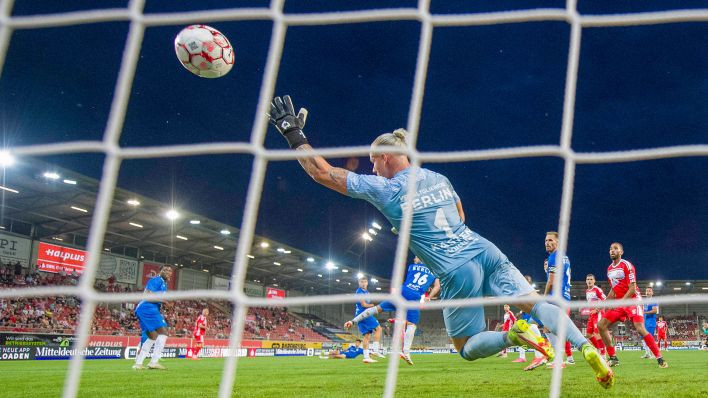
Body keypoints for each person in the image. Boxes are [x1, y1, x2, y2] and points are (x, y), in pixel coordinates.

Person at [267, 95, 613, 388]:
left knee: (465, 347)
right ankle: (583, 347)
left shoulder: (387, 189)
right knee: (537, 303)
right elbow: (461, 215)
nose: (372, 169)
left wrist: (294, 135)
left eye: (373, 161)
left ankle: (513, 336)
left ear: (386, 157)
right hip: (484, 248)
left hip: (455, 270)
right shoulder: (439, 178)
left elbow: (323, 173)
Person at [345, 257, 439, 365]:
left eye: (416, 257)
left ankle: (353, 321)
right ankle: (406, 352)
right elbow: (436, 287)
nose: (414, 259)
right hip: (414, 297)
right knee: (412, 325)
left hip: (401, 292)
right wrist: (428, 297)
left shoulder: (412, 267)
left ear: (421, 259)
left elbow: (413, 277)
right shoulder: (435, 271)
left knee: (377, 309)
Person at [597, 242, 667, 368]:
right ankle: (613, 358)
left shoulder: (627, 265)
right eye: (610, 249)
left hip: (633, 300)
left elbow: (632, 289)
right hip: (620, 302)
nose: (612, 251)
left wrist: (621, 303)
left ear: (621, 252)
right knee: (601, 325)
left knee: (639, 328)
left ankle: (659, 358)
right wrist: (605, 303)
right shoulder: (609, 269)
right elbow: (613, 290)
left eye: (615, 249)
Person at [543, 232, 575, 367]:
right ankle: (559, 359)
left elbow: (551, 281)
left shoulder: (553, 257)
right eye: (545, 240)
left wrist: (544, 299)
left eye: (550, 240)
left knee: (550, 328)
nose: (547, 243)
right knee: (549, 328)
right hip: (565, 297)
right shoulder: (564, 257)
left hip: (557, 297)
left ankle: (559, 359)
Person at [132, 265, 173, 370]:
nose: (168, 272)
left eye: (170, 271)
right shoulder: (157, 280)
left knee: (153, 336)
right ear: (160, 271)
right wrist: (165, 302)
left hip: (144, 309)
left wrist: (162, 303)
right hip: (147, 308)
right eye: (166, 270)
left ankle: (138, 363)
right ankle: (154, 362)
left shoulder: (163, 284)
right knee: (163, 333)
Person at [517, 275, 549, 371]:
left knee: (531, 328)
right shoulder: (522, 291)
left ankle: (540, 355)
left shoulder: (530, 291)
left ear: (530, 282)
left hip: (535, 314)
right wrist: (521, 312)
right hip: (528, 315)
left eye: (527, 280)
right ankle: (541, 354)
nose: (525, 281)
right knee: (525, 335)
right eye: (524, 280)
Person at [352, 276, 385, 363]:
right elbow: (363, 305)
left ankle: (366, 357)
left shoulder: (366, 292)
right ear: (359, 283)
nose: (363, 283)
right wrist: (372, 306)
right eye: (361, 282)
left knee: (367, 336)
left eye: (365, 282)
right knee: (378, 328)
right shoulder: (359, 291)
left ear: (367, 283)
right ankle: (375, 350)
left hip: (360, 315)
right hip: (364, 314)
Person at [585, 274, 607, 356]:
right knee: (588, 334)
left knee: (597, 334)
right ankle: (598, 349)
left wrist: (597, 309)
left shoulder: (597, 290)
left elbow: (605, 300)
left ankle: (603, 354)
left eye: (591, 279)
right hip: (592, 315)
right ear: (586, 281)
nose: (589, 281)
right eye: (588, 279)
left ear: (594, 281)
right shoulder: (587, 291)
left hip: (599, 314)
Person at [642, 287, 659, 358]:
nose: (648, 292)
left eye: (649, 291)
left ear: (652, 293)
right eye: (647, 291)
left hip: (651, 322)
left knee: (650, 338)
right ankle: (647, 353)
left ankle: (654, 354)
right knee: (644, 338)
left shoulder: (653, 301)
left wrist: (644, 312)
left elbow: (655, 311)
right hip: (645, 322)